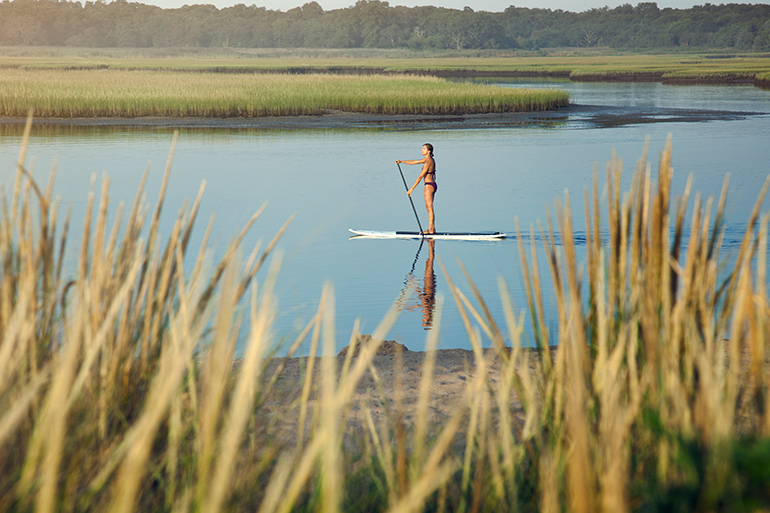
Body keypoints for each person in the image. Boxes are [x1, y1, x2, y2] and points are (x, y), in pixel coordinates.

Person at [396, 143, 437, 235]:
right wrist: (402, 161)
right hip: (432, 185)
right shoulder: (429, 159)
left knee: (429, 208)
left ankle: (431, 230)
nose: (422, 150)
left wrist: (411, 189)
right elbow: (415, 162)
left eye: (424, 149)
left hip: (429, 186)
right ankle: (432, 229)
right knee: (430, 208)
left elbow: (420, 177)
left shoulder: (428, 162)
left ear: (428, 151)